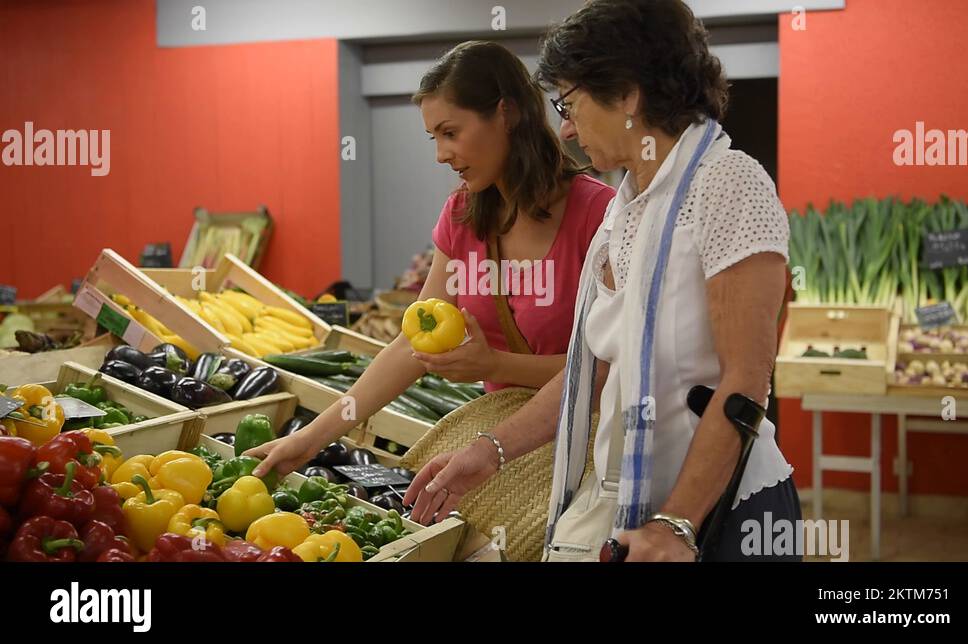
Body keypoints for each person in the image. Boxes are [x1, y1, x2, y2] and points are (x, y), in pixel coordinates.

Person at [403, 0, 802, 562]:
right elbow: (592, 372)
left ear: (627, 94)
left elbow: (747, 382)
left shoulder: (727, 185)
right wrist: (490, 450)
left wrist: (677, 525)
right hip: (634, 503)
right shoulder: (627, 211)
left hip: (718, 515)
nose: (564, 125)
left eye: (570, 103)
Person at [248, 41, 615, 478]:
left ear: (506, 113)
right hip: (502, 454)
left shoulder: (600, 216)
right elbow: (411, 343)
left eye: (450, 133)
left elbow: (608, 369)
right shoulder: (463, 215)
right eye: (434, 138)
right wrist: (309, 439)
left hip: (586, 450)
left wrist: (497, 365)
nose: (441, 154)